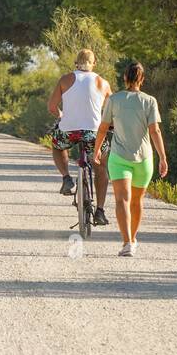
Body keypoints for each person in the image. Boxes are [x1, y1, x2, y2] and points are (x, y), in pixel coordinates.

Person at [93, 62, 168, 256]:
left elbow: (103, 128)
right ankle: (132, 239)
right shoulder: (150, 101)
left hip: (119, 157)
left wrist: (96, 150)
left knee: (121, 201)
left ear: (125, 78)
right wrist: (162, 157)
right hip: (144, 158)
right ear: (142, 80)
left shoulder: (114, 100)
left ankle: (127, 242)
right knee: (136, 201)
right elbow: (155, 130)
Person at [47, 48, 112, 226]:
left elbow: (52, 107)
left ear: (76, 63)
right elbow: (112, 110)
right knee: (101, 165)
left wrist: (61, 116)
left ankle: (67, 178)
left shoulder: (65, 80)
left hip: (69, 131)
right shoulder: (103, 83)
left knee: (57, 145)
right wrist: (108, 124)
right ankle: (100, 210)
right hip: (94, 133)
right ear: (94, 63)